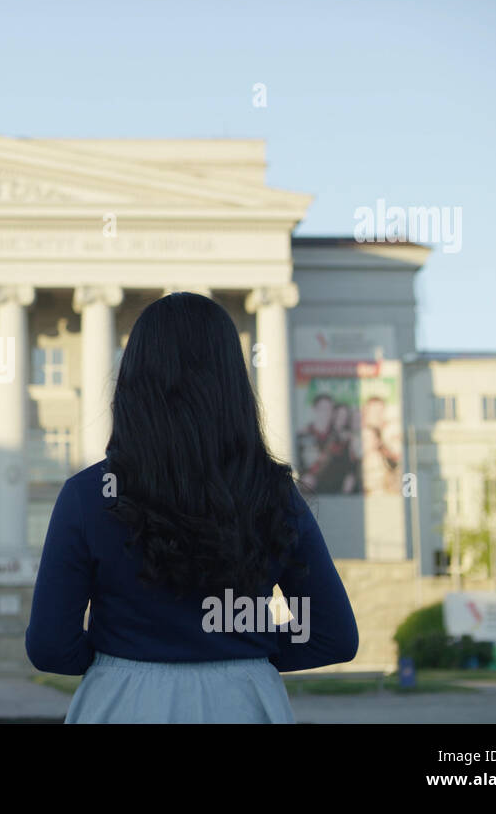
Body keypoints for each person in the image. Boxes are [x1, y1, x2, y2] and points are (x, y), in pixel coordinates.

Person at [25, 292, 359, 723]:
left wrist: (124, 649)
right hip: (243, 702)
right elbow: (332, 637)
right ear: (231, 382)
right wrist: (244, 643)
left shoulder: (88, 494)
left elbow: (51, 646)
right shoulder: (273, 492)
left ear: (133, 381)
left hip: (122, 700)